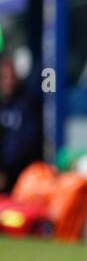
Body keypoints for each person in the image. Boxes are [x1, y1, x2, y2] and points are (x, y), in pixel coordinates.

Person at [0, 55, 42, 193]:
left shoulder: (27, 103)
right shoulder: (3, 105)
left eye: (11, 76)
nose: (8, 81)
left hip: (24, 177)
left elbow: (27, 140)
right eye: (4, 77)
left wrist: (6, 170)